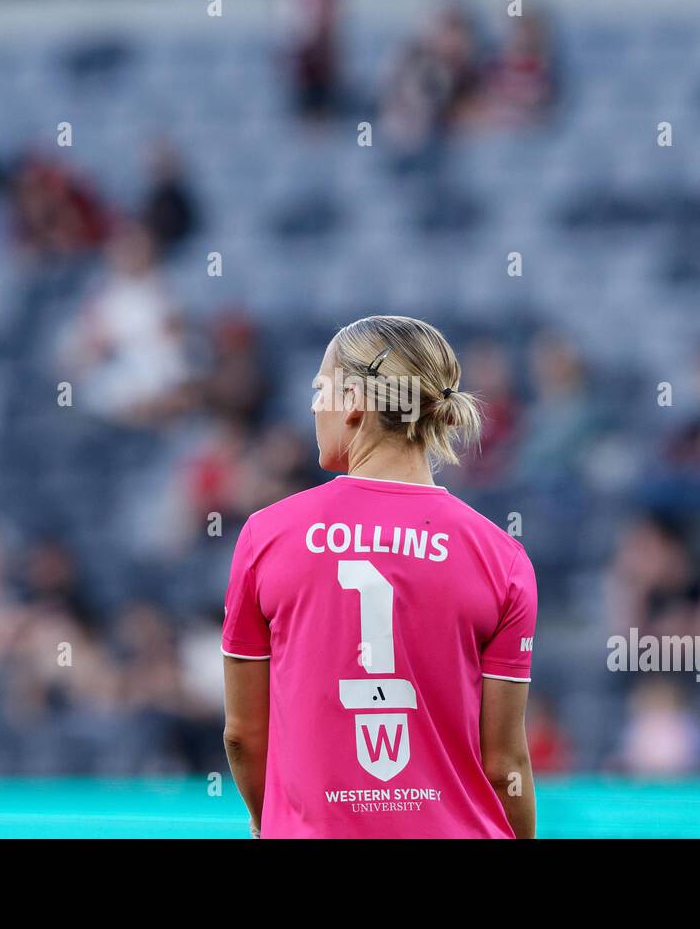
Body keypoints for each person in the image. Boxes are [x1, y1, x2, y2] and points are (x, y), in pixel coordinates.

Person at [221, 315, 538, 838]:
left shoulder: (267, 536)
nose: (312, 406)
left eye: (320, 389)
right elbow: (505, 766)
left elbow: (242, 736)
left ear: (353, 402)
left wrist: (271, 820)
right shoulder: (500, 555)